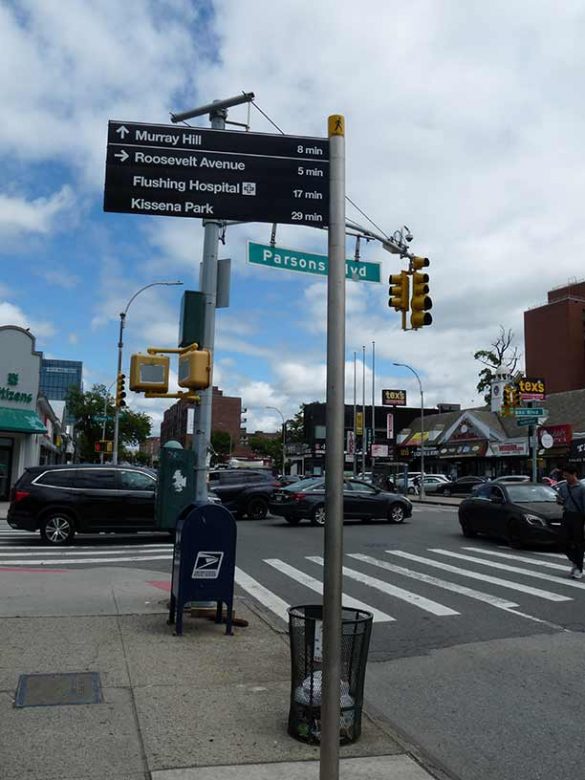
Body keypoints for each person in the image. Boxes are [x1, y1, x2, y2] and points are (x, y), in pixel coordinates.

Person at [557, 464, 585, 579]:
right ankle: (575, 561)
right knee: (562, 541)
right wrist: (559, 500)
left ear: (574, 474)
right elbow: (561, 501)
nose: (565, 478)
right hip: (567, 514)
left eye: (567, 475)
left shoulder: (582, 488)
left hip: (578, 516)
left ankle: (579, 568)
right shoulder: (563, 487)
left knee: (578, 543)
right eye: (564, 476)